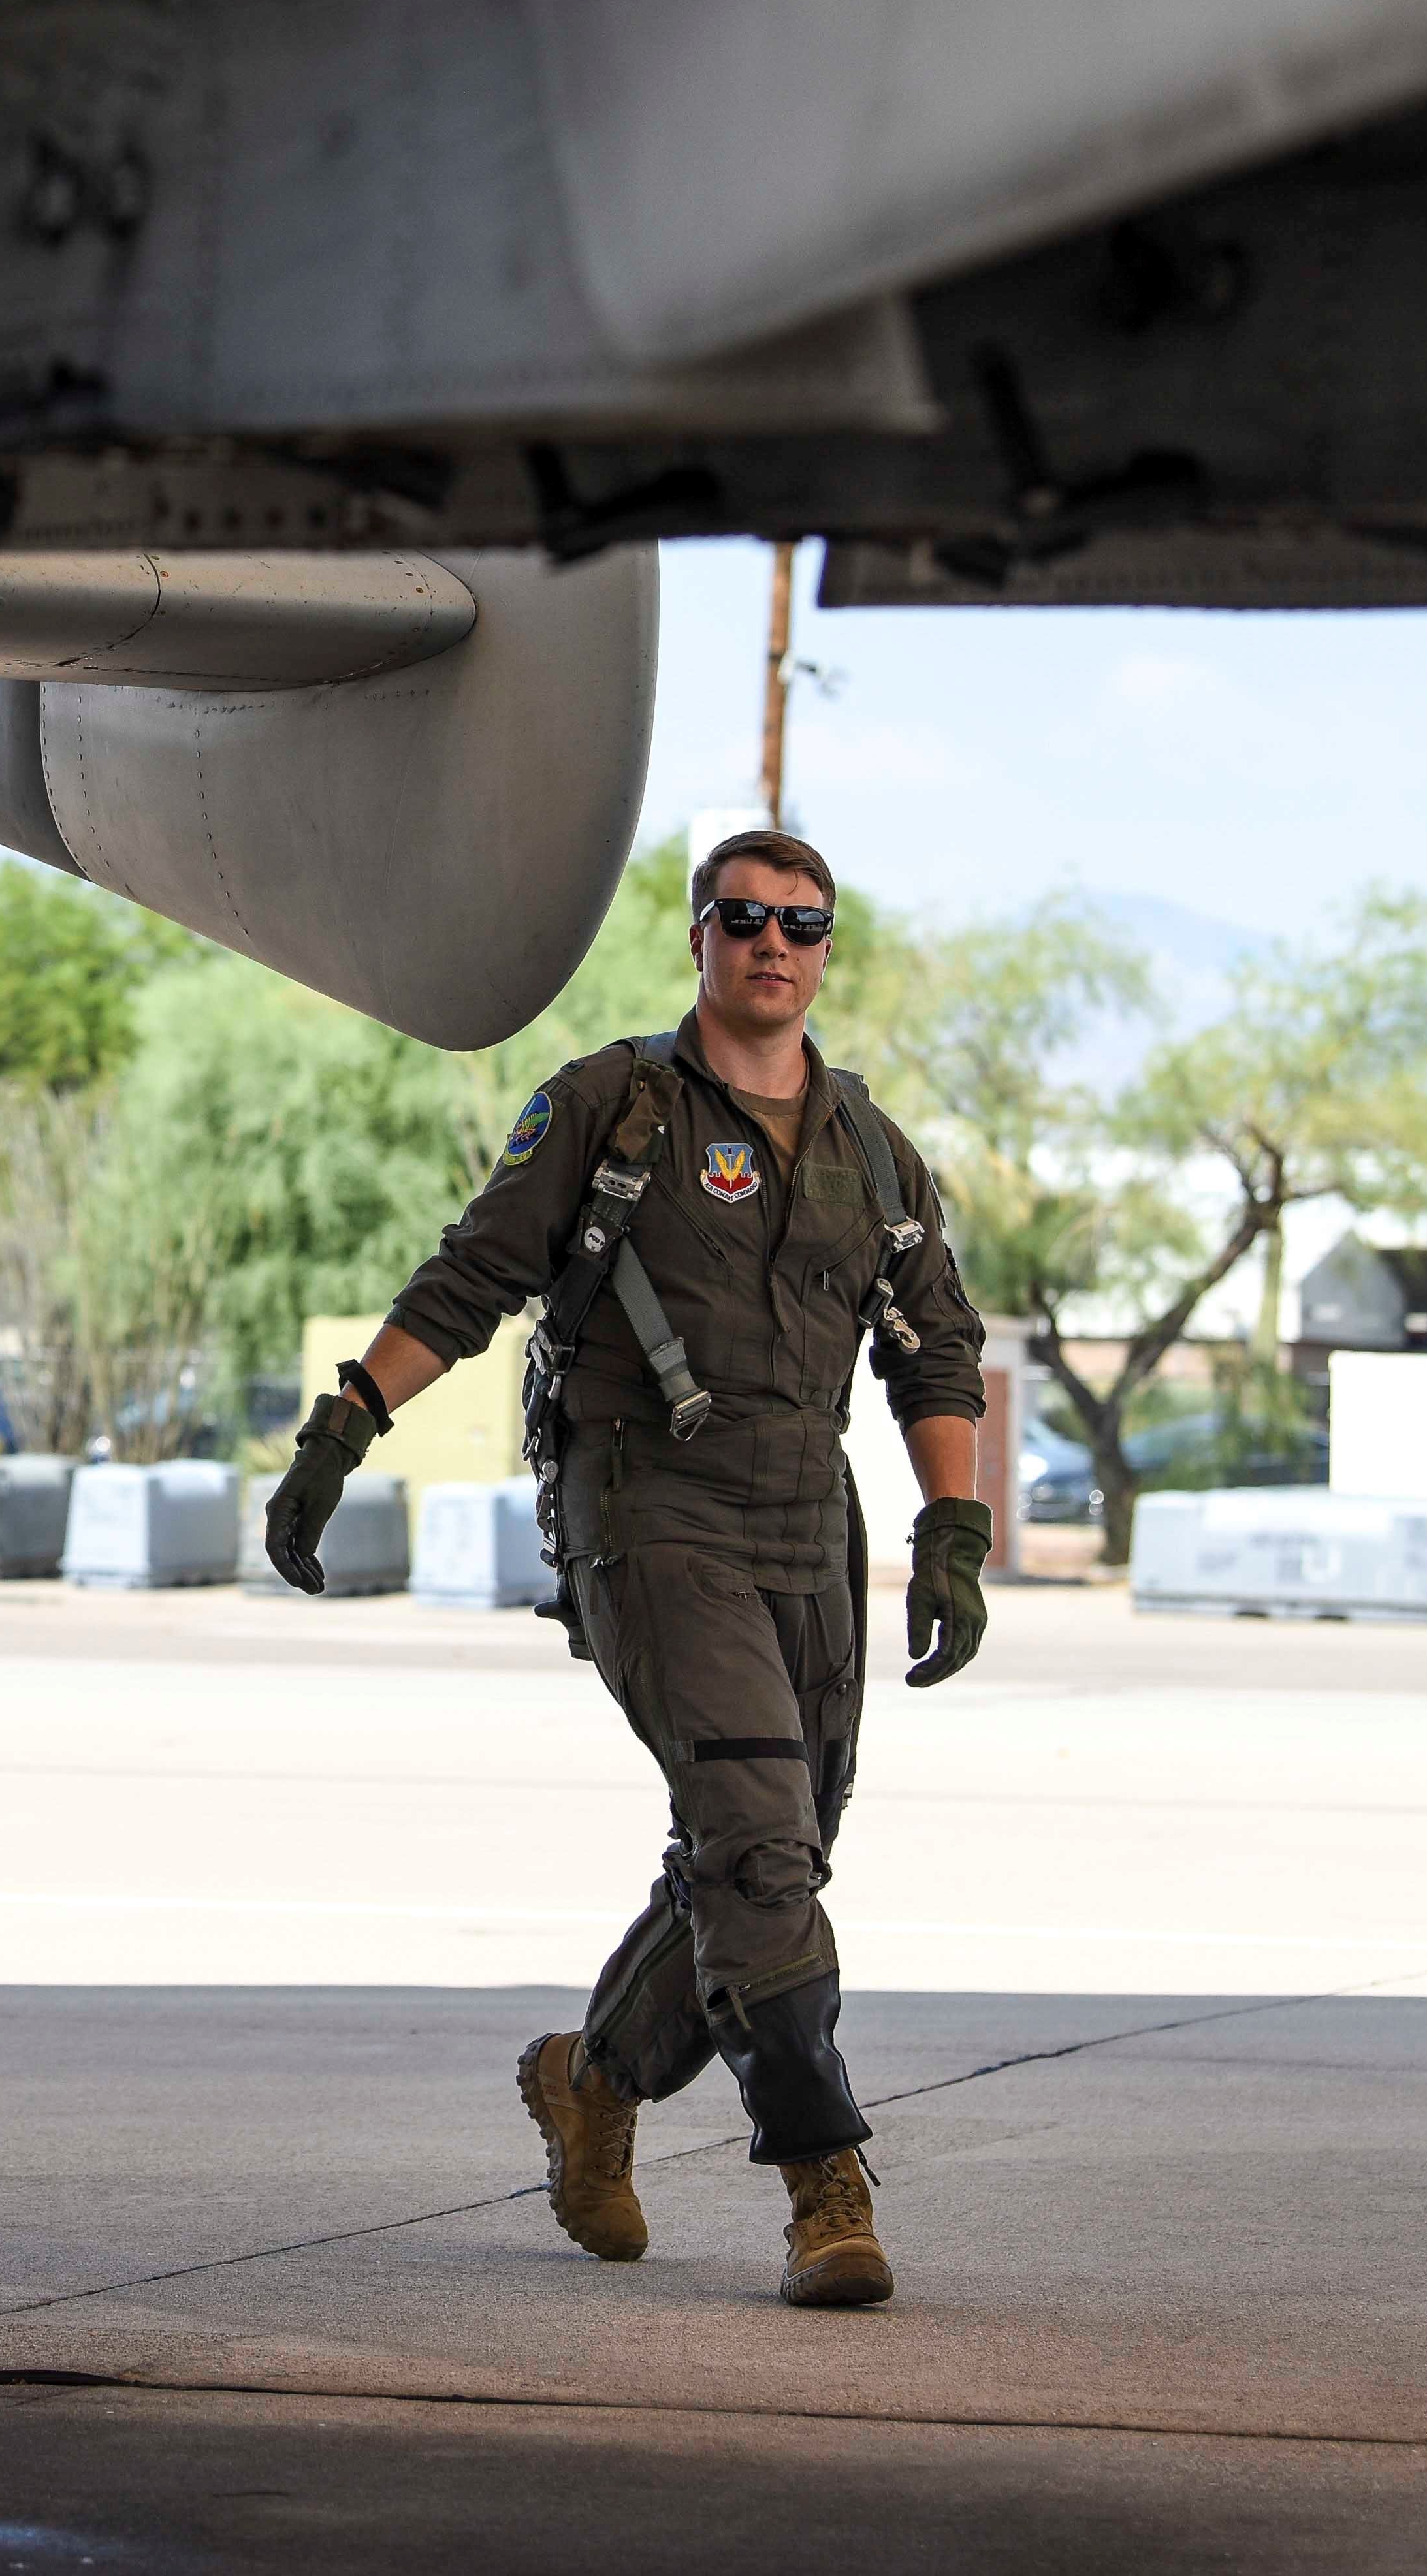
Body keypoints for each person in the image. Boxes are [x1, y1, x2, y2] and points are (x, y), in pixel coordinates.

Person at [261, 831, 991, 2309]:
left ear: (825, 952)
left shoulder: (870, 1147)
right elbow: (472, 1276)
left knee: (770, 1848)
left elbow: (936, 1351)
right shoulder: (613, 1105)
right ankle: (823, 2182)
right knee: (758, 1845)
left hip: (808, 1511)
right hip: (646, 1498)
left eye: (801, 924)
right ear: (698, 937)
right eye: (744, 917)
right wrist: (343, 1428)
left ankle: (592, 2079)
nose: (772, 943)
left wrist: (954, 1532)